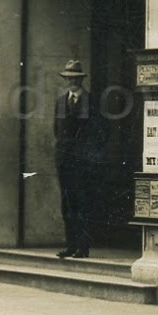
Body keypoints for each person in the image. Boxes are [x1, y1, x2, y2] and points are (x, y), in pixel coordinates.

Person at [53, 59, 102, 259]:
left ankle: (83, 246)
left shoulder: (91, 101)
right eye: (69, 78)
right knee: (67, 204)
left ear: (81, 80)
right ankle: (70, 245)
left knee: (83, 203)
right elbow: (56, 130)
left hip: (83, 162)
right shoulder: (60, 102)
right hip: (65, 161)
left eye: (76, 78)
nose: (72, 82)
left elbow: (98, 132)